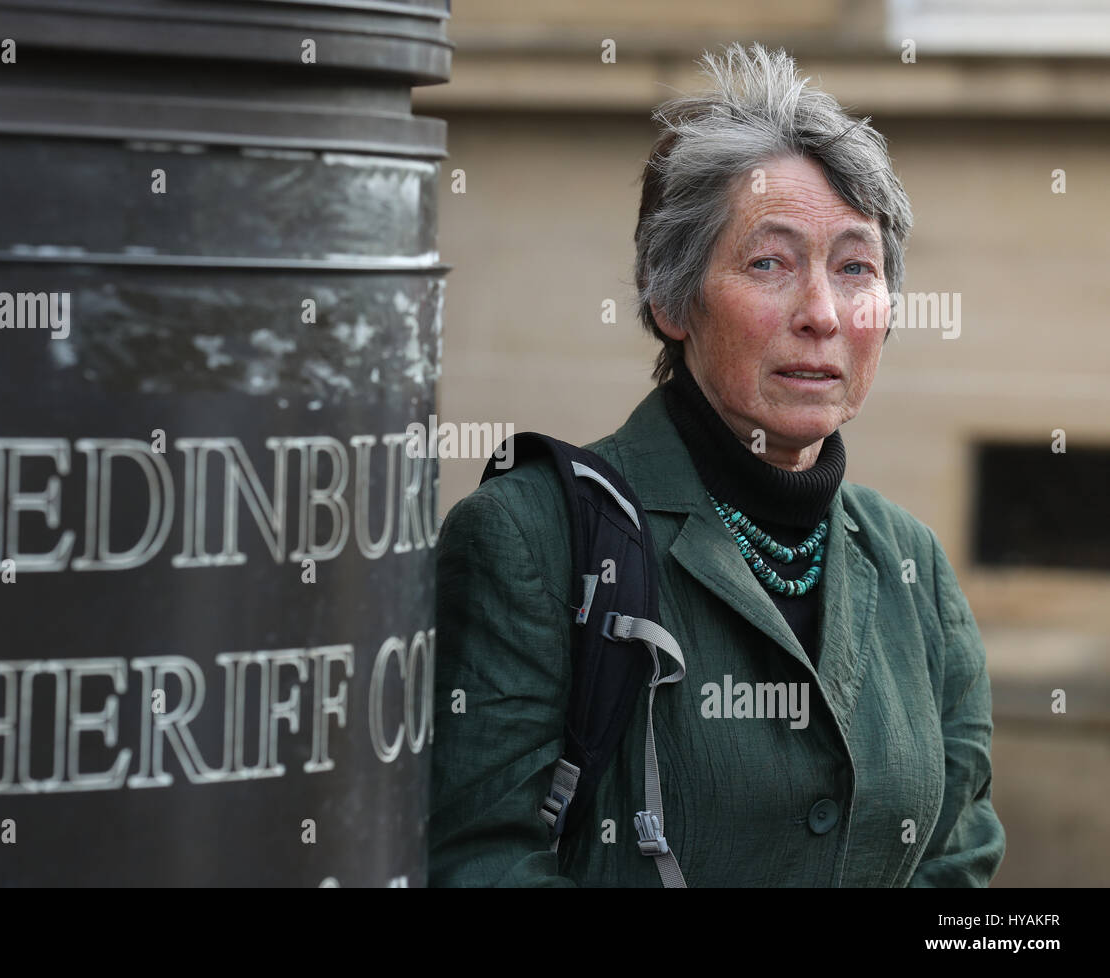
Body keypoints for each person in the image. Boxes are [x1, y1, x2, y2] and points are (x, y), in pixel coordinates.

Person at [428, 42, 1005, 887]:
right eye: (769, 262)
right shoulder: (528, 538)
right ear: (671, 299)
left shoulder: (910, 559)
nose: (821, 313)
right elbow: (478, 860)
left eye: (856, 268)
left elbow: (958, 854)